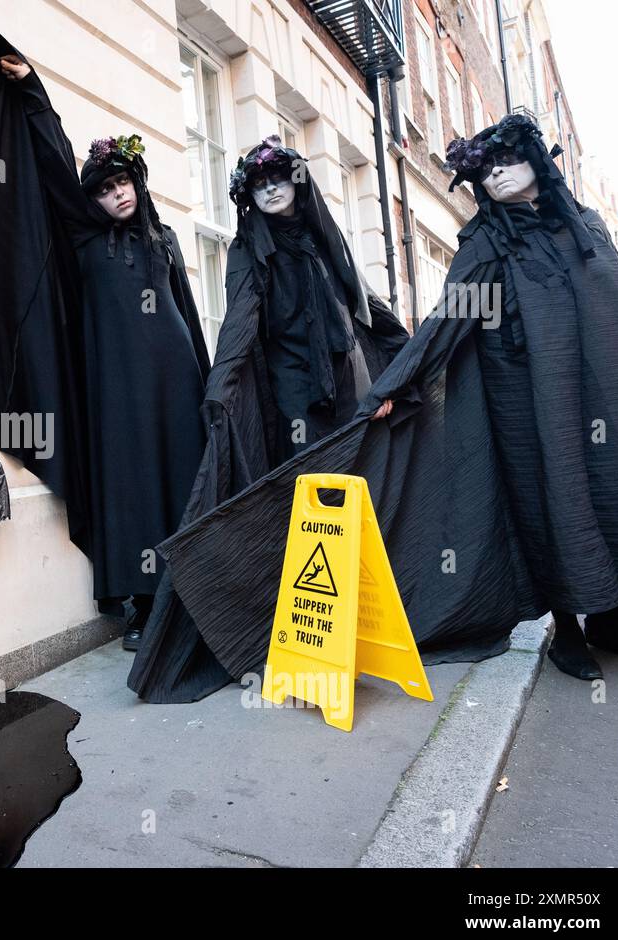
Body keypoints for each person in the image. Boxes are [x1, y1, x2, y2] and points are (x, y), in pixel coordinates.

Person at [156, 113, 618, 684]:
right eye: (484, 172)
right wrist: (398, 383)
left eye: (505, 163)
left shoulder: (586, 226)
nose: (497, 177)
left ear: (537, 160)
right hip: (529, 402)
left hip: (605, 395)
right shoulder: (488, 242)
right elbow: (448, 319)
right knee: (551, 499)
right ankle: (569, 630)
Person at [126, 136, 411, 702]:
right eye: (260, 184)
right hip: (293, 402)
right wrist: (220, 388)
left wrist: (403, 364)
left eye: (279, 178)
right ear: (250, 196)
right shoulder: (248, 249)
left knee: (354, 503)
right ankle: (306, 645)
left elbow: (362, 302)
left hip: (346, 390)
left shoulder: (323, 236)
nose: (273, 188)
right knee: (309, 511)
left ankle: (355, 632)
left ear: (297, 182)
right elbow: (241, 317)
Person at [0, 55, 212, 649]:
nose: (118, 195)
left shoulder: (163, 240)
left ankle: (191, 597)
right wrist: (33, 90)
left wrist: (211, 385)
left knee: (181, 481)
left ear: (138, 187)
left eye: (124, 185)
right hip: (116, 387)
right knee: (131, 485)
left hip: (177, 383)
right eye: (107, 189)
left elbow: (190, 319)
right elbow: (52, 162)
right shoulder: (85, 237)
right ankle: (142, 607)